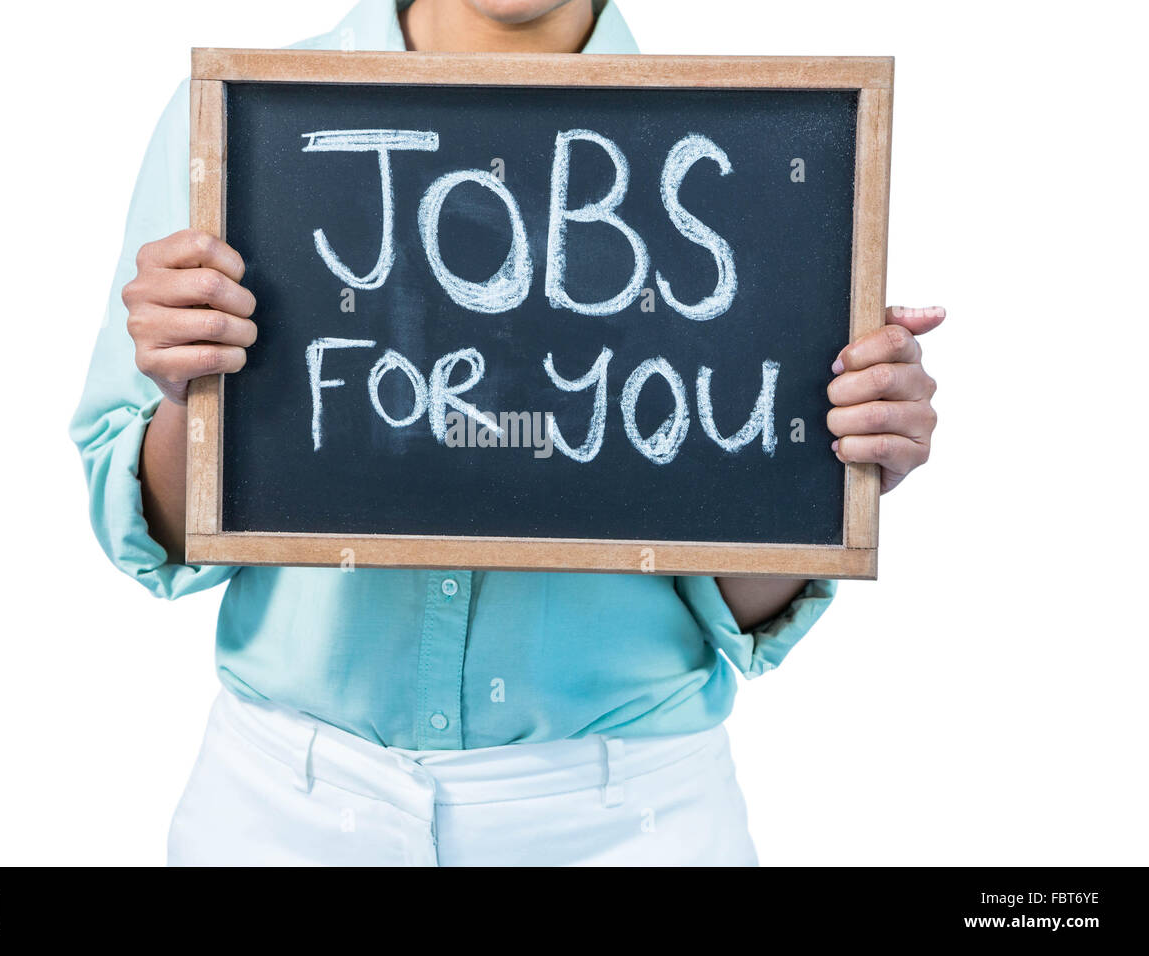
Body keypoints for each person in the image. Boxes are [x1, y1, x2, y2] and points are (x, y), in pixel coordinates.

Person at [70, 0, 942, 866]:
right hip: (285, 808)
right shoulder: (238, 120)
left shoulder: (737, 154)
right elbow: (168, 538)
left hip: (628, 818)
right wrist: (189, 398)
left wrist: (828, 467)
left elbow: (739, 593)